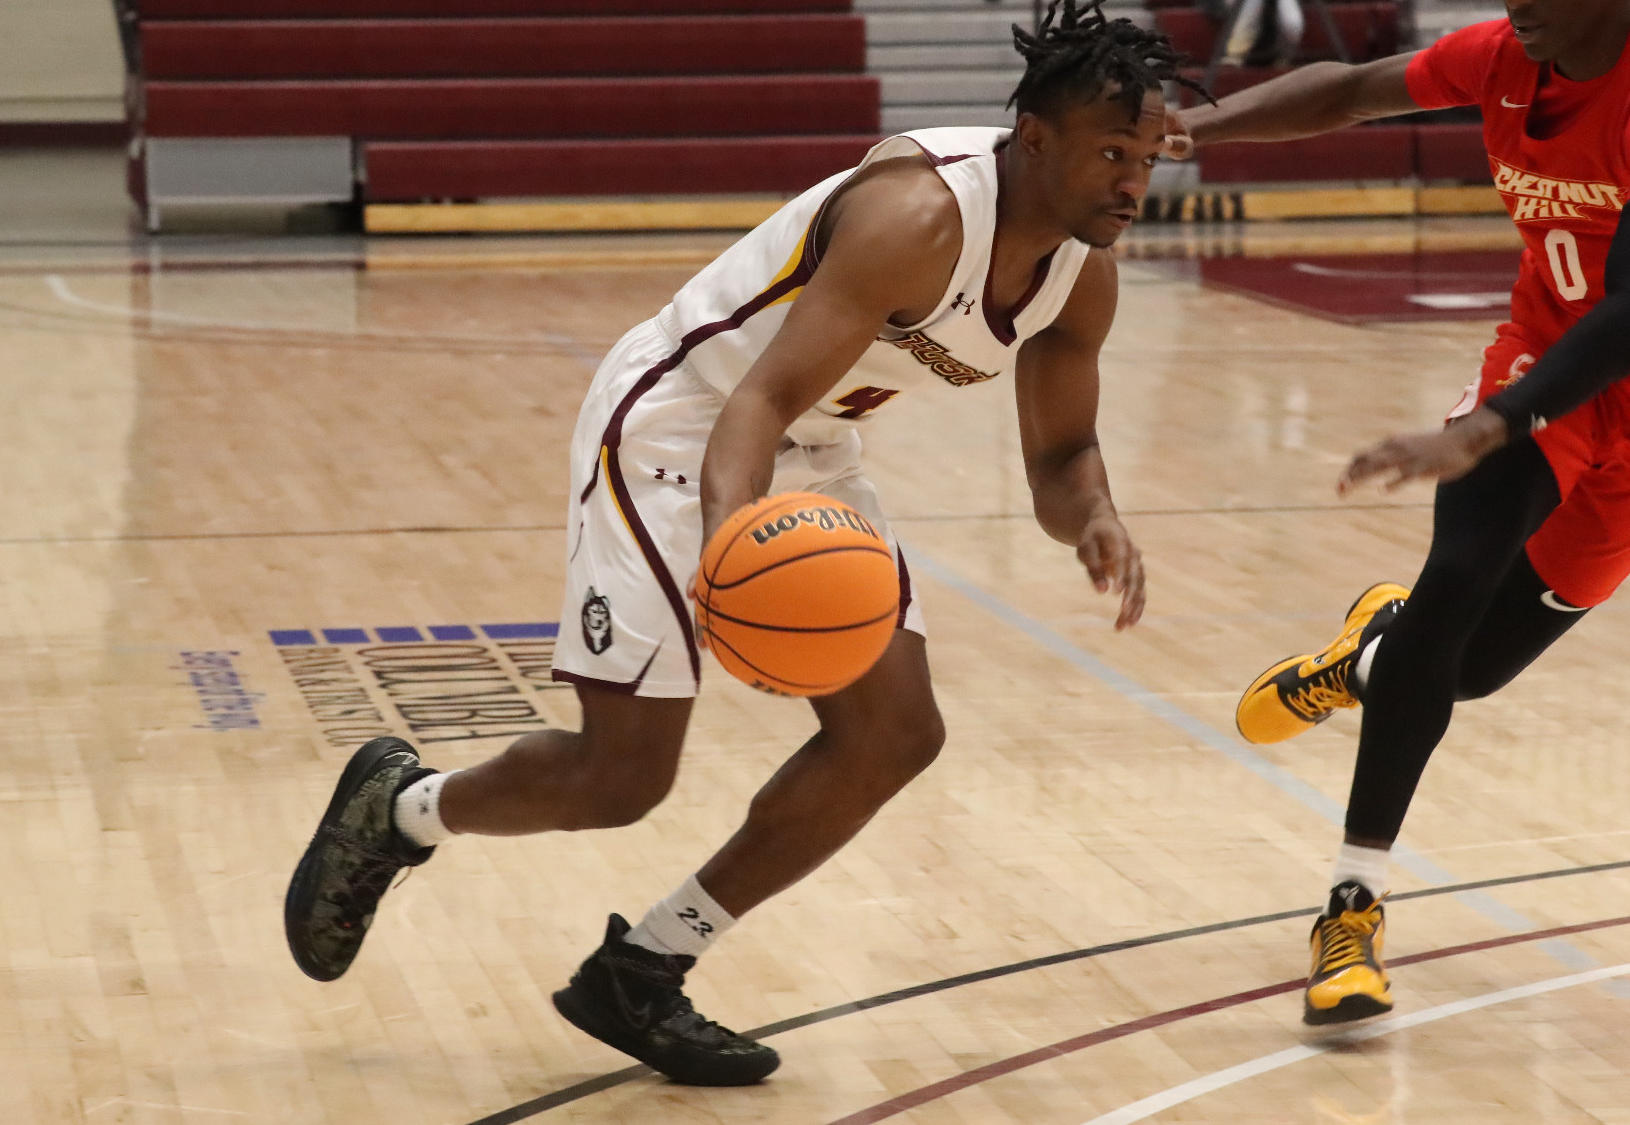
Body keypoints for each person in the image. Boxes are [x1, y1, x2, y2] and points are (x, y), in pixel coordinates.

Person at [284, 0, 1188, 1085]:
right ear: (1036, 139)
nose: (1133, 182)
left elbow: (1059, 458)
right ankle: (402, 810)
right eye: (1110, 153)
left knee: (894, 735)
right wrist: (730, 554)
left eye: (1145, 155)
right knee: (622, 779)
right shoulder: (917, 218)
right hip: (679, 422)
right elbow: (751, 405)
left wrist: (1093, 514)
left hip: (815, 441)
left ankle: (646, 967)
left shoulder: (1081, 275)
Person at [1171, 0, 1630, 1024]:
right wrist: (1195, 125)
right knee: (1454, 577)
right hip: (1541, 373)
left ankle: (1363, 659)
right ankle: (1349, 911)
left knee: (1464, 671)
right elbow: (1350, 90)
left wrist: (1481, 426)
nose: (1518, 6)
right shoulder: (1505, 55)